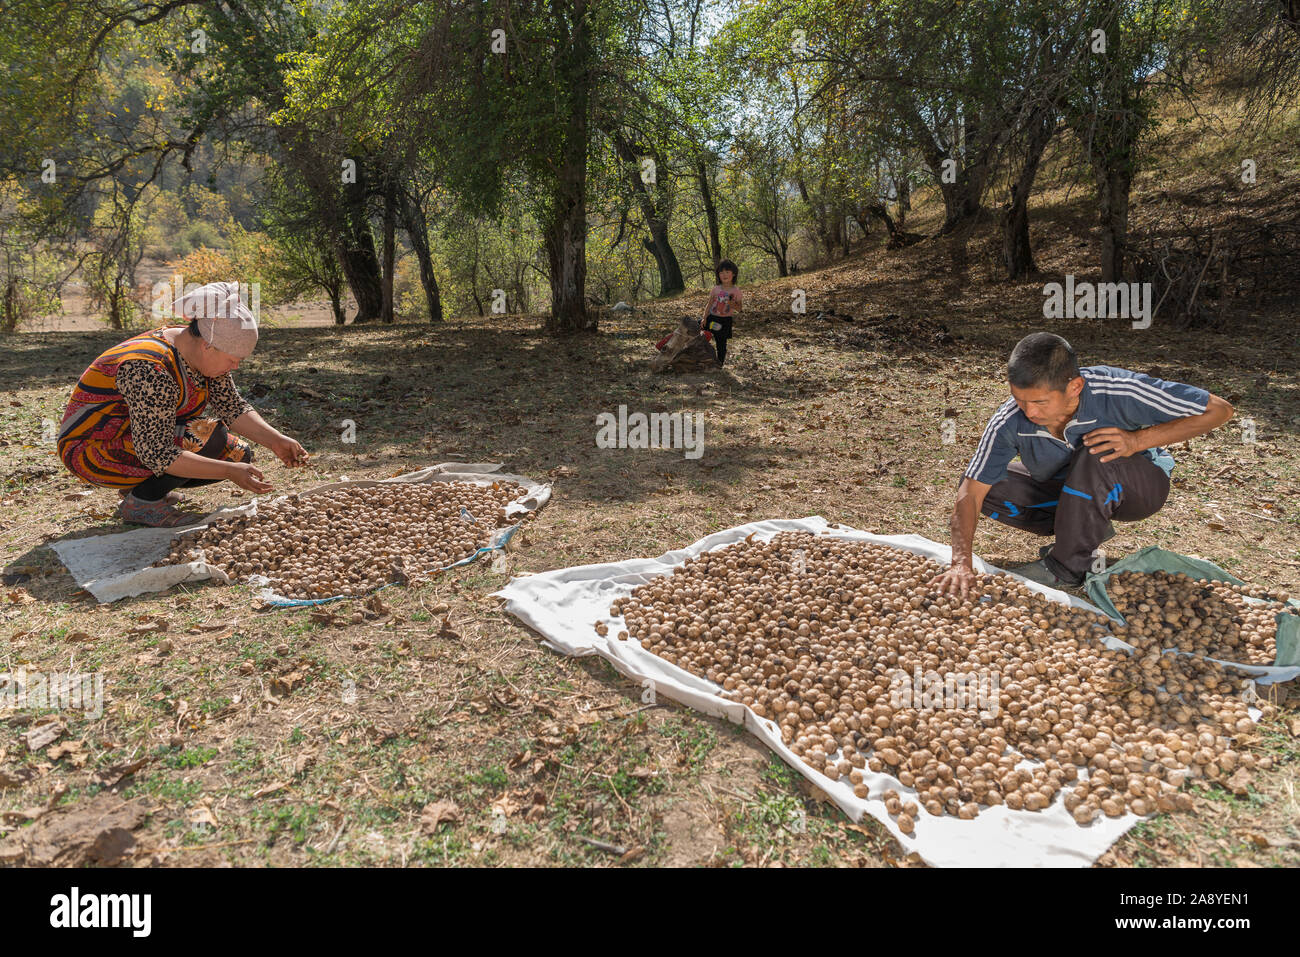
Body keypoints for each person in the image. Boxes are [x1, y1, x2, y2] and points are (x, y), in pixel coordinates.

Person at [932, 332, 1233, 595]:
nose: (1029, 412)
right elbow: (970, 494)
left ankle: (1065, 568)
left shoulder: (1117, 389)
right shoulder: (1009, 420)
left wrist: (1136, 441)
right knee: (982, 484)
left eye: (1040, 402)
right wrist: (961, 562)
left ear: (1075, 386)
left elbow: (1219, 410)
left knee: (1096, 449)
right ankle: (1085, 530)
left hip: (1138, 489)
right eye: (1020, 399)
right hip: (1071, 493)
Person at [58, 281, 309, 527]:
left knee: (236, 454)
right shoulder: (149, 369)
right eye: (233, 360)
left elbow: (232, 406)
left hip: (137, 441)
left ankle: (142, 490)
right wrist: (227, 472)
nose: (235, 367)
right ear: (207, 346)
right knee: (209, 437)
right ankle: (142, 503)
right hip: (91, 451)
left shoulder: (196, 346)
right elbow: (156, 451)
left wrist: (275, 440)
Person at [701, 259, 744, 366]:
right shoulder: (716, 289)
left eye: (727, 272)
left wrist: (732, 304)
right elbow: (709, 304)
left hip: (725, 321)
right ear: (718, 275)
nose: (724, 275)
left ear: (733, 274)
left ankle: (719, 363)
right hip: (712, 318)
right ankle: (701, 355)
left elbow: (739, 308)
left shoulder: (736, 291)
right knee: (698, 328)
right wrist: (704, 317)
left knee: (721, 343)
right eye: (721, 272)